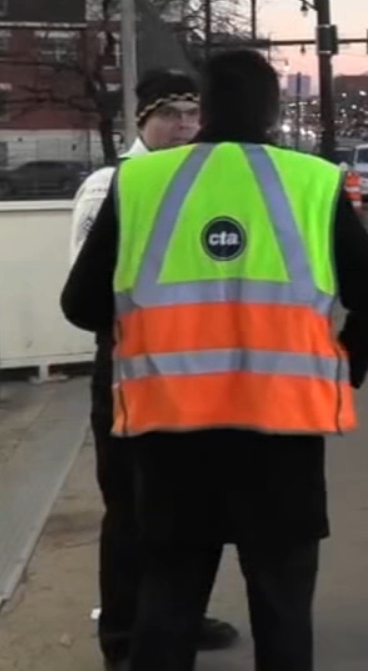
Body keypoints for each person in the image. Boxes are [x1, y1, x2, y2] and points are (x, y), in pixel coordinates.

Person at [61, 49, 368, 671]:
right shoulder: (313, 182)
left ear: (207, 107)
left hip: (169, 430)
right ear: (273, 112)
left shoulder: (138, 183)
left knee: (168, 600)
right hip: (283, 434)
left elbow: (81, 304)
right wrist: (343, 368)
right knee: (283, 606)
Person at [67, 70, 239, 670]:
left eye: (194, 116)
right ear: (142, 120)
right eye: (171, 115)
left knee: (188, 509)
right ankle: (122, 637)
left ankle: (178, 620)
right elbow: (86, 292)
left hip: (190, 374)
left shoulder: (201, 183)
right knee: (129, 510)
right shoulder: (109, 185)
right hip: (128, 371)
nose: (185, 127)